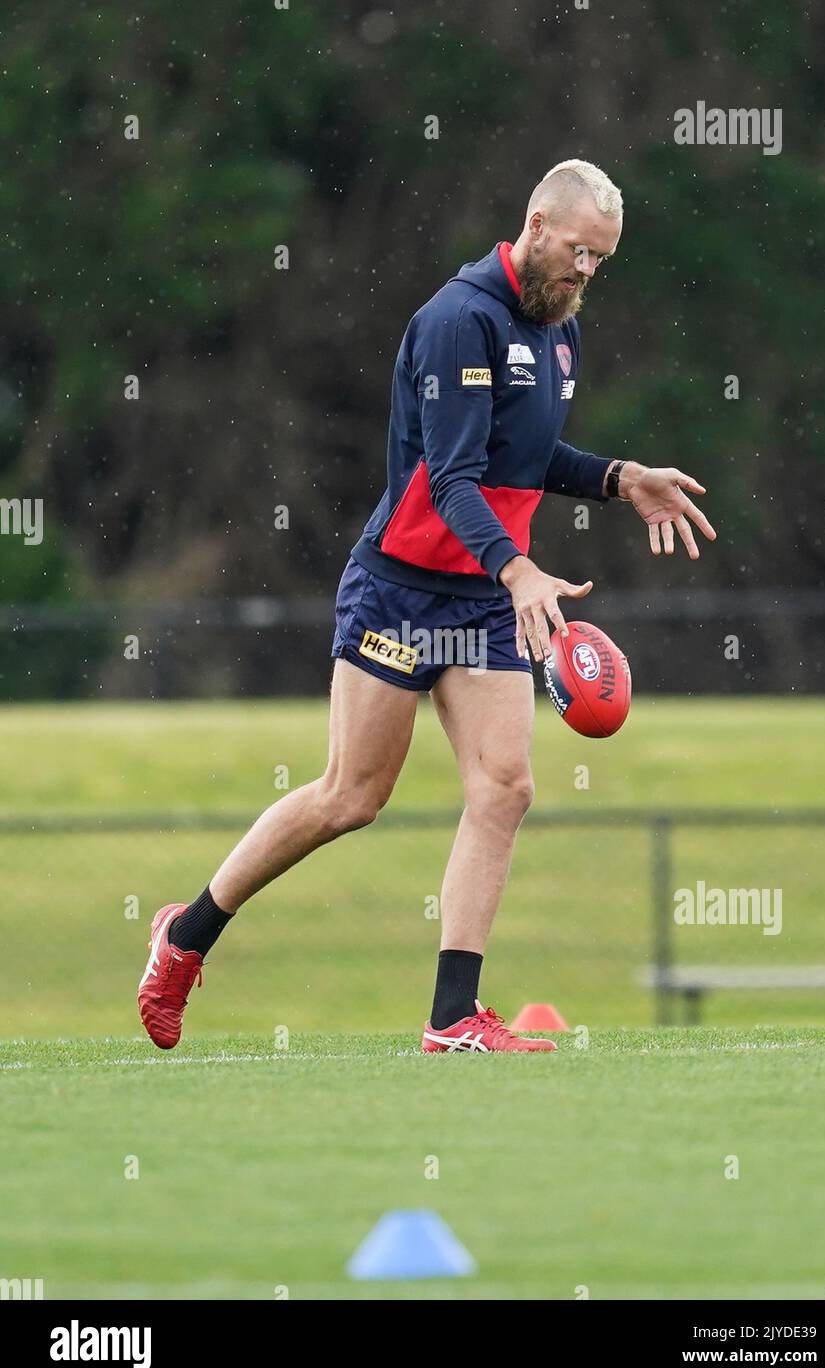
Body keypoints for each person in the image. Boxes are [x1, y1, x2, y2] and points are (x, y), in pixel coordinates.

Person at [138, 158, 715, 1054]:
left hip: (485, 596)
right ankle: (185, 936)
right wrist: (521, 571)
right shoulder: (457, 321)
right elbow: (452, 477)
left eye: (602, 259)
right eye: (578, 252)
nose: (586, 272)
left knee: (505, 787)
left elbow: (526, 453)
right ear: (534, 223)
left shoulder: (559, 330)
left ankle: (452, 1017)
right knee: (349, 797)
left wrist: (618, 477)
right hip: (402, 590)